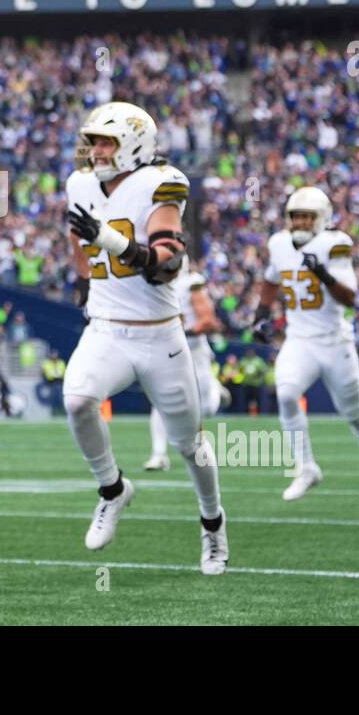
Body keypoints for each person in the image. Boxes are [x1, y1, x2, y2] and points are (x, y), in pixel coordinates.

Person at [63, 101, 229, 575]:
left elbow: (167, 261)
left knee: (190, 444)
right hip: (108, 328)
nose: (94, 150)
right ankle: (112, 489)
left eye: (104, 141)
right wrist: (82, 281)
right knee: (77, 400)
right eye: (92, 140)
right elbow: (78, 238)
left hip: (160, 335)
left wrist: (112, 243)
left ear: (133, 144)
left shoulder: (162, 182)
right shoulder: (79, 183)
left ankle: (213, 523)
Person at [252, 187, 359, 505]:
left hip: (334, 339)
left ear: (322, 219)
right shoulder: (279, 243)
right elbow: (271, 279)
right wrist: (261, 314)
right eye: (295, 216)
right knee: (285, 393)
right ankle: (306, 467)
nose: (299, 222)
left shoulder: (335, 244)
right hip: (299, 339)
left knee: (353, 412)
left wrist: (323, 274)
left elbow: (350, 299)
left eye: (306, 217)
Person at [145, 263, 227, 471]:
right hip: (167, 351)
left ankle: (215, 390)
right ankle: (159, 454)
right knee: (161, 401)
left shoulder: (191, 283)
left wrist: (183, 333)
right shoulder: (151, 281)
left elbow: (208, 320)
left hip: (194, 351)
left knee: (205, 410)